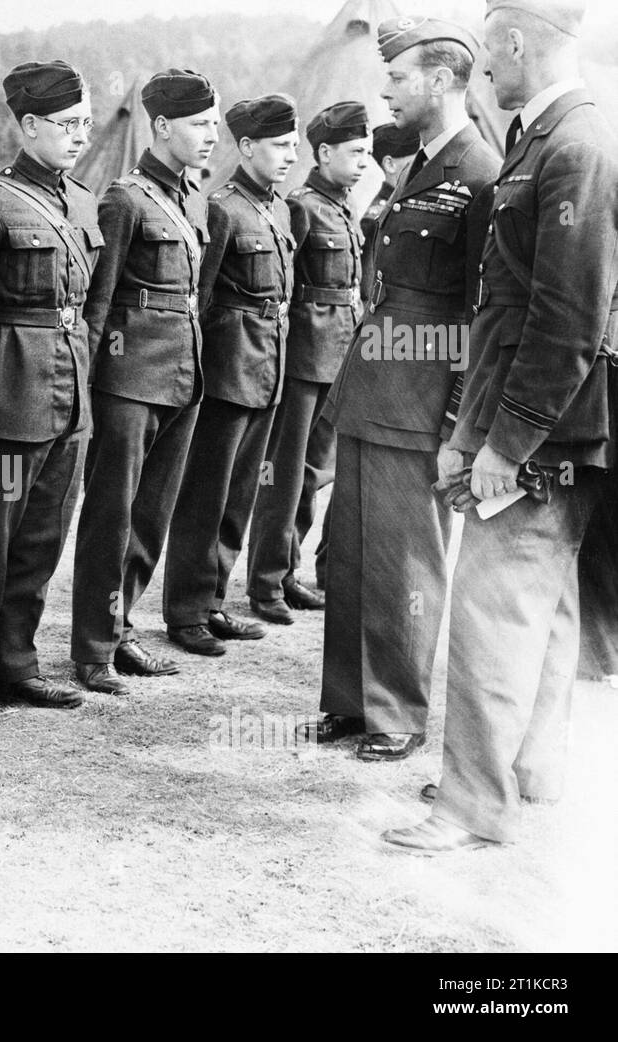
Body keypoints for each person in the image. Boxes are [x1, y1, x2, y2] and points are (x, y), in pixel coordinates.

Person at [385, 0, 618, 853]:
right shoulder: (547, 138)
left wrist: (505, 444)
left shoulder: (575, 146)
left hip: (546, 431)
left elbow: (567, 320)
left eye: (490, 51)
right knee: (548, 607)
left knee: (492, 611)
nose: (484, 67)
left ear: (517, 42)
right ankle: (529, 771)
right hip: (550, 420)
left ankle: (471, 804)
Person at [309, 15, 499, 761]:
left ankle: (395, 714)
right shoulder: (421, 166)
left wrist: (458, 420)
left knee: (405, 565)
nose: (385, 88)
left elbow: (480, 314)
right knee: (352, 559)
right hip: (372, 393)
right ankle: (350, 703)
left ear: (441, 80)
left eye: (397, 76)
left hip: (419, 407)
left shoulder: (479, 173)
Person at [0, 60, 102, 733]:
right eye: (66, 125)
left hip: (68, 402)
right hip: (6, 401)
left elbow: (89, 307)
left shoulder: (84, 203)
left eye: (85, 124)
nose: (78, 136)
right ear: (29, 125)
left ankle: (18, 665)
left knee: (41, 541)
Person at [69, 69, 219, 694]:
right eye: (198, 125)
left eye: (214, 124)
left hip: (183, 378)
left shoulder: (194, 200)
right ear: (160, 127)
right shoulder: (124, 200)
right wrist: (87, 390)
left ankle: (121, 625)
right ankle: (93, 649)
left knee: (153, 513)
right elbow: (97, 308)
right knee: (112, 514)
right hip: (127, 383)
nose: (212, 136)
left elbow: (196, 295)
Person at [161, 94, 298, 657]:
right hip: (226, 366)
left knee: (241, 492)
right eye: (279, 145)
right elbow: (202, 295)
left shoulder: (279, 209)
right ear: (246, 147)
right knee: (206, 493)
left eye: (294, 145)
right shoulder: (221, 208)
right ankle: (186, 612)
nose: (291, 155)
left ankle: (213, 600)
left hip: (268, 364)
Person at [246, 101, 369, 625]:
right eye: (355, 152)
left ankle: (288, 573)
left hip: (339, 354)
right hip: (303, 356)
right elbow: (285, 284)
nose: (365, 163)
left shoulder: (343, 206)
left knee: (315, 471)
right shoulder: (302, 206)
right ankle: (267, 583)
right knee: (285, 472)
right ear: (323, 153)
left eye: (367, 153)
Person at [360, 121, 421, 278]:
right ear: (390, 164)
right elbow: (368, 291)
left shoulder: (414, 206)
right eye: (416, 163)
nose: (423, 169)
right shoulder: (375, 220)